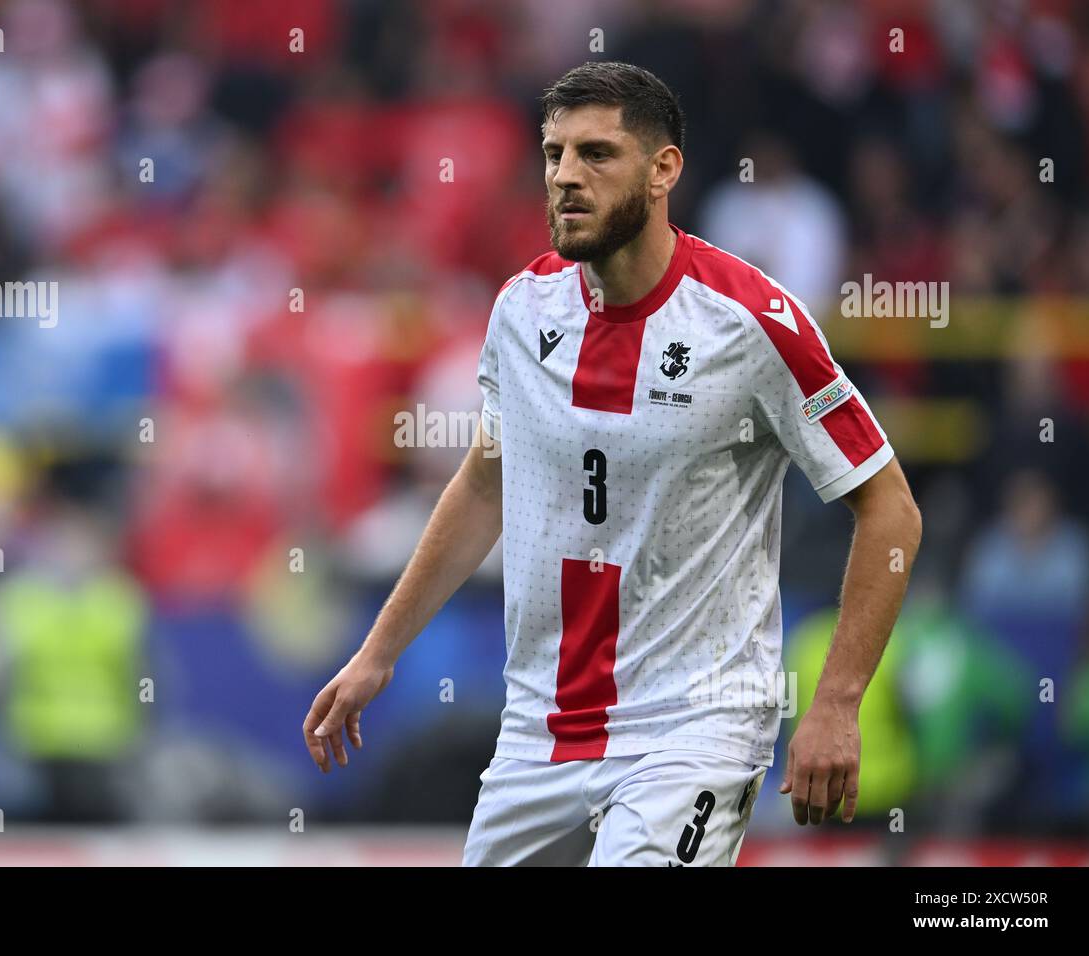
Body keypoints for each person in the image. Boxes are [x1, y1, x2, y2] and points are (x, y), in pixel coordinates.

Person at [302, 61, 922, 866]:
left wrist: (837, 701)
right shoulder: (522, 311)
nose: (565, 177)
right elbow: (486, 486)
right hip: (540, 728)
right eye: (554, 154)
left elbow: (890, 507)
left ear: (664, 170)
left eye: (596, 155)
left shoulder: (753, 323)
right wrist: (378, 651)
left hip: (693, 730)